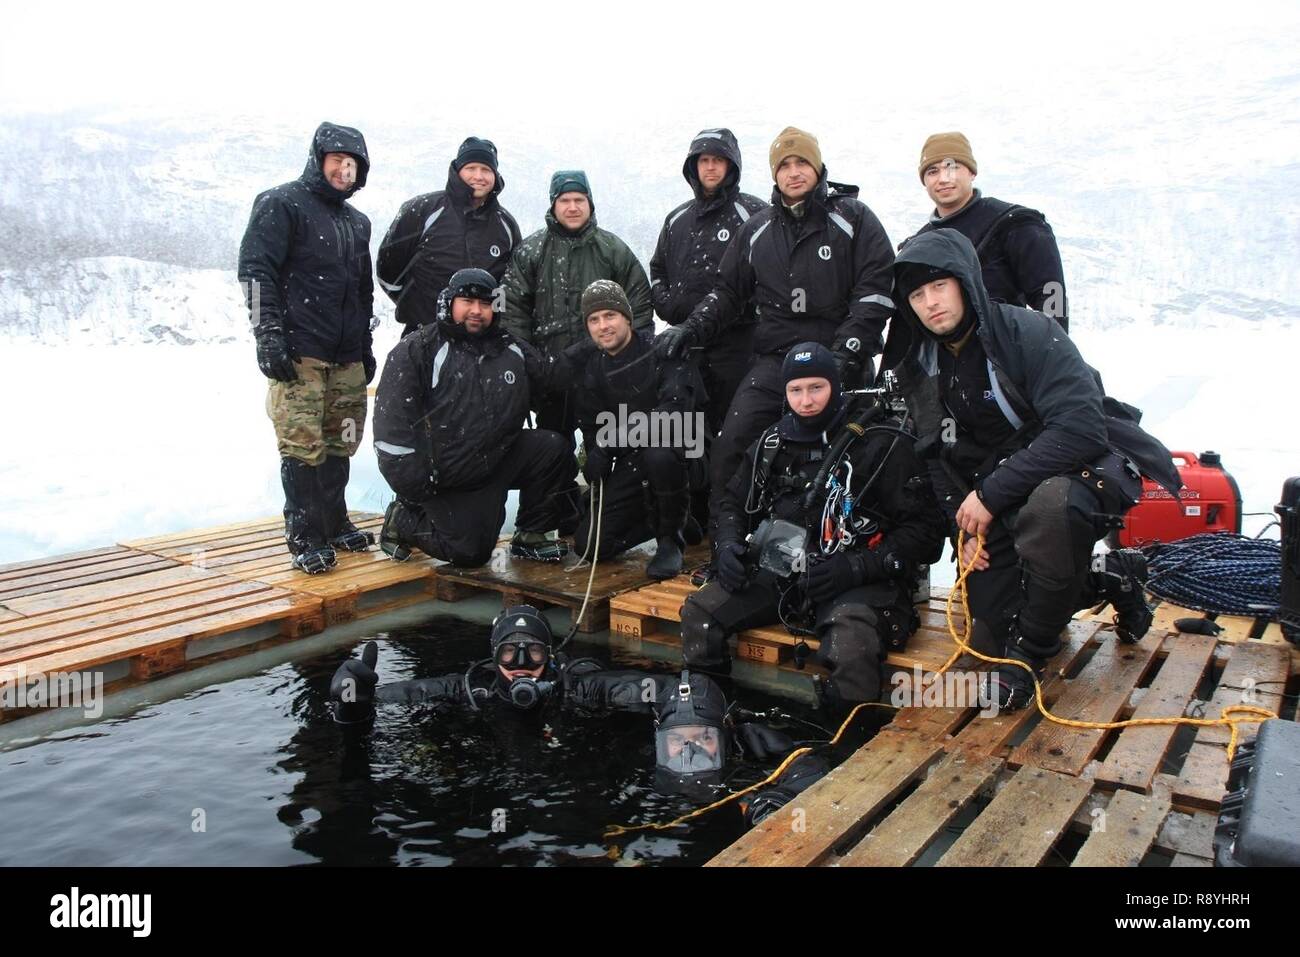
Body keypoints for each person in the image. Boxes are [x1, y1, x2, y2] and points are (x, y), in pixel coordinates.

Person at [891, 229, 1178, 710]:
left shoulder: (1027, 332)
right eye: (917, 295)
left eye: (939, 286)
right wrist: (961, 528)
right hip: (1004, 489)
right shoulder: (925, 364)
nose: (930, 303)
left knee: (1050, 510)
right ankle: (1109, 577)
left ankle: (1026, 658)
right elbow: (934, 456)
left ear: (965, 282)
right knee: (987, 630)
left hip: (1081, 470)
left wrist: (989, 495)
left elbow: (1081, 428)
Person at [654, 127, 897, 575]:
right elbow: (727, 294)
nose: (793, 172)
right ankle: (724, 554)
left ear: (818, 167)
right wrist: (688, 329)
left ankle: (847, 563)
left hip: (841, 357)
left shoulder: (853, 218)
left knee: (852, 459)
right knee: (731, 448)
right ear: (774, 174)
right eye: (784, 165)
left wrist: (846, 354)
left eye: (801, 162)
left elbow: (875, 291)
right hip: (775, 362)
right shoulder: (757, 228)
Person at [678, 342, 947, 713]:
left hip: (858, 577)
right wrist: (726, 547)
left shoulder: (880, 445)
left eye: (816, 388)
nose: (806, 401)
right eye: (796, 390)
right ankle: (711, 720)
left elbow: (926, 533)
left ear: (835, 386)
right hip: (784, 571)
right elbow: (732, 504)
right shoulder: (771, 442)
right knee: (701, 614)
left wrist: (856, 567)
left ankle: (845, 749)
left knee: (851, 646)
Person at [238, 121, 377, 575]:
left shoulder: (358, 223)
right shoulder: (281, 204)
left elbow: (362, 290)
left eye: (352, 164)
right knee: (302, 444)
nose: (344, 170)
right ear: (319, 161)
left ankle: (335, 522)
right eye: (337, 160)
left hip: (347, 355)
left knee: (343, 441)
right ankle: (305, 535)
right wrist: (268, 334)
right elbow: (256, 271)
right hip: (301, 351)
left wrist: (365, 344)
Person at [373, 268, 574, 566]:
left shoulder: (512, 348)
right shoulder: (417, 350)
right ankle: (404, 517)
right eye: (467, 301)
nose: (477, 311)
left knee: (552, 448)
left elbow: (552, 381)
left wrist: (595, 356)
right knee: (470, 552)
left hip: (498, 458)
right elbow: (392, 429)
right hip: (447, 475)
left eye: (486, 303)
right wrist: (416, 487)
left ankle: (531, 534)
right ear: (449, 302)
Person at [884, 132, 1069, 370]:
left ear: (972, 171)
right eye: (932, 172)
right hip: (946, 376)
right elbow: (905, 326)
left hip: (1008, 363)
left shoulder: (1015, 224)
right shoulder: (917, 245)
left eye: (952, 167)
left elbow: (1052, 293)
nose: (943, 178)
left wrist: (1053, 354)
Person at [500, 170, 654, 449]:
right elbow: (512, 315)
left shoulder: (613, 249)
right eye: (565, 200)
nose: (573, 207)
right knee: (553, 451)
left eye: (579, 200)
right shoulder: (530, 251)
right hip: (551, 374)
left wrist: (630, 362)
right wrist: (534, 366)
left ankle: (608, 489)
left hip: (608, 371)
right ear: (553, 205)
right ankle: (560, 493)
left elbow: (640, 306)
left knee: (614, 447)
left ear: (590, 204)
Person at [329, 604, 677, 721]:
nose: (521, 664)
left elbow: (659, 690)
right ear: (493, 659)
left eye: (534, 652)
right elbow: (404, 695)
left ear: (551, 657)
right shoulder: (471, 688)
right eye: (509, 653)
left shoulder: (576, 688)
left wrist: (696, 704)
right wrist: (352, 703)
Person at [572, 279, 700, 580]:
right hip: (633, 462)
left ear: (627, 317)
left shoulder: (661, 351)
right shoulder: (592, 370)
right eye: (594, 319)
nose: (603, 326)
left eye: (610, 315)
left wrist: (611, 444)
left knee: (660, 454)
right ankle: (675, 516)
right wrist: (594, 463)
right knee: (590, 545)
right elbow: (592, 432)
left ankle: (670, 539)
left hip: (684, 452)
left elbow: (676, 416)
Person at [649, 128, 768, 441]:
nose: (711, 167)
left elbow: (770, 274)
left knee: (734, 434)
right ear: (694, 166)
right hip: (685, 344)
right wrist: (667, 302)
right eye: (704, 160)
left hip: (738, 344)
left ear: (731, 166)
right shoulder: (677, 218)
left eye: (718, 160)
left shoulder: (753, 214)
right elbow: (658, 267)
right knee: (689, 437)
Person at [377, 136, 522, 337]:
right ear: (457, 170)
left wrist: (493, 318)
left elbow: (510, 284)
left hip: (482, 339)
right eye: (471, 168)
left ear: (495, 176)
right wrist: (417, 307)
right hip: (424, 333)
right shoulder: (422, 210)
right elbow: (389, 270)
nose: (478, 176)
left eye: (486, 170)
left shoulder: (506, 225)